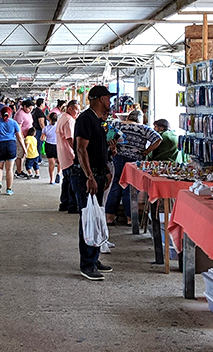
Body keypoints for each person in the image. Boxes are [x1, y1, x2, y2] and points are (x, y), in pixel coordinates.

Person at [72, 87, 116, 281]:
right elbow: (81, 150)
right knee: (88, 218)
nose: (110, 102)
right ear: (100, 99)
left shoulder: (99, 120)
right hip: (86, 177)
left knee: (96, 216)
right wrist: (89, 176)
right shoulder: (85, 119)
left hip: (98, 174)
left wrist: (105, 170)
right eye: (108, 98)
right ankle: (87, 264)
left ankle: (94, 257)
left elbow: (98, 149)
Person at [105, 109, 161, 226]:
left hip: (118, 158)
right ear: (140, 119)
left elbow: (108, 136)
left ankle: (109, 217)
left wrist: (113, 147)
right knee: (130, 189)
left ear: (128, 117)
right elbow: (158, 139)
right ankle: (130, 219)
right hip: (135, 161)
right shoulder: (144, 128)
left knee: (116, 185)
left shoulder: (117, 124)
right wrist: (147, 151)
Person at [55, 100, 80, 212]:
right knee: (72, 181)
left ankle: (64, 203)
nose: (78, 112)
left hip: (63, 154)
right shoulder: (69, 120)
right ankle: (72, 205)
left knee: (66, 180)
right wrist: (77, 152)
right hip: (69, 155)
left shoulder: (63, 118)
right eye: (76, 110)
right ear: (70, 108)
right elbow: (70, 139)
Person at [14, 99, 33, 178]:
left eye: (31, 109)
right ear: (24, 106)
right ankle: (19, 171)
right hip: (21, 137)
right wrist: (21, 137)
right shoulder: (20, 114)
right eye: (29, 108)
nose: (30, 110)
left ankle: (20, 170)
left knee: (23, 154)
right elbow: (18, 128)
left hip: (27, 137)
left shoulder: (28, 113)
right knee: (20, 154)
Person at [42, 112, 60, 185]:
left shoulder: (46, 128)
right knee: (59, 162)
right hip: (58, 145)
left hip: (49, 145)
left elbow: (42, 138)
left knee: (51, 163)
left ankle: (52, 179)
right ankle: (59, 173)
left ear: (49, 119)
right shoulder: (59, 127)